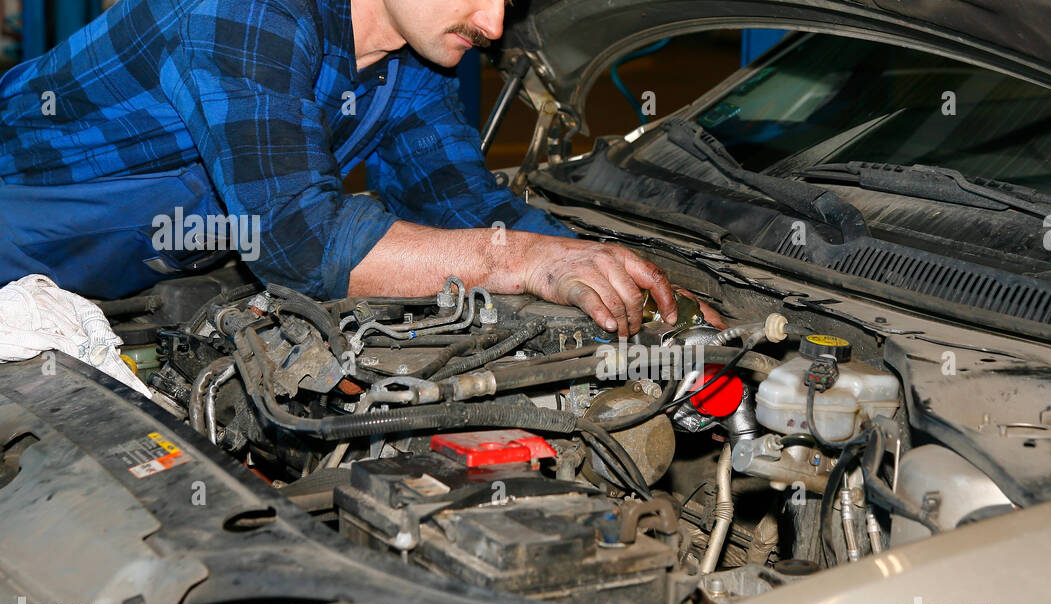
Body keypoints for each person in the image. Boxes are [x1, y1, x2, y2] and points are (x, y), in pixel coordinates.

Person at [0, 0, 676, 337]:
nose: (495, 24)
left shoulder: (412, 70)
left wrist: (592, 262)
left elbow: (468, 209)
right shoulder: (244, 11)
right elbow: (299, 239)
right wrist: (518, 259)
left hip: (114, 292)